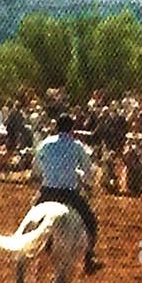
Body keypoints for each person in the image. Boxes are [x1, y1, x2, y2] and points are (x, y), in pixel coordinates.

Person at [34, 114, 102, 273]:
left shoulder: (45, 143)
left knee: (32, 215)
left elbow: (36, 167)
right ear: (72, 129)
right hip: (68, 193)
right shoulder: (77, 146)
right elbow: (87, 171)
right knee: (91, 221)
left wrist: (49, 173)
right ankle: (88, 259)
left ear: (56, 128)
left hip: (47, 191)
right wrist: (87, 182)